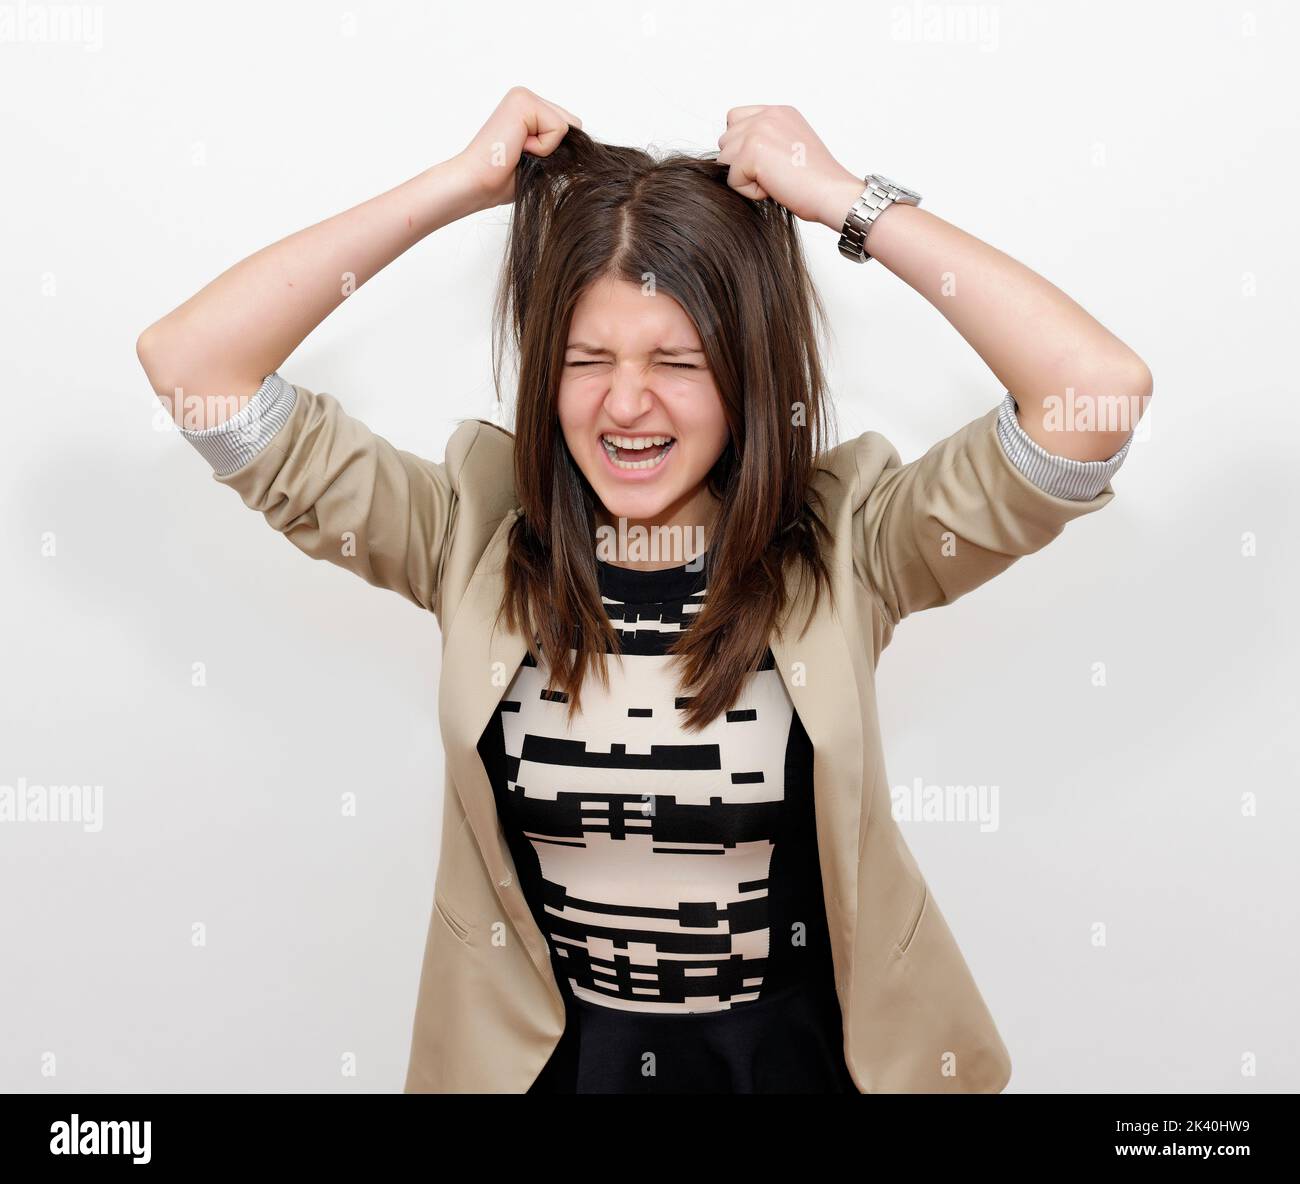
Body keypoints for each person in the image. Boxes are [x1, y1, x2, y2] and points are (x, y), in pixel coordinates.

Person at [136, 87, 1152, 1094]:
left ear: (749, 372)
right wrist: (460, 185)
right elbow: (194, 365)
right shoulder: (464, 536)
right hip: (560, 1069)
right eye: (586, 360)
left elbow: (1090, 392)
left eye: (676, 359)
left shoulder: (853, 544)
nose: (626, 403)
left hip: (795, 1067)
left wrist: (844, 198)